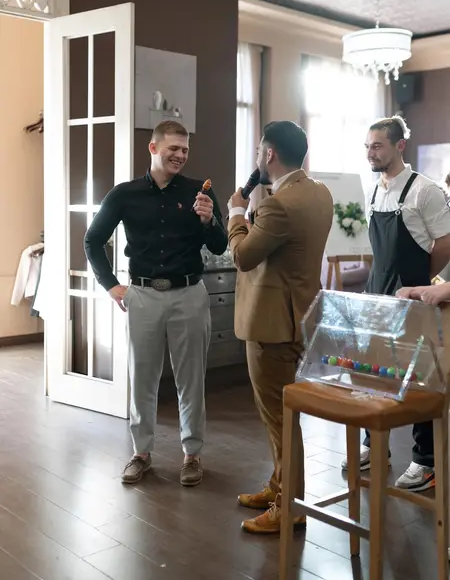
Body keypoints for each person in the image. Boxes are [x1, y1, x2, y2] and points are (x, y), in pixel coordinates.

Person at [84, 120, 228, 486]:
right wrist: (111, 285)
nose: (180, 155)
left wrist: (209, 221)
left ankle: (192, 455)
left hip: (190, 294)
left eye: (185, 149)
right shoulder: (124, 194)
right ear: (153, 148)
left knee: (191, 380)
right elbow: (92, 240)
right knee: (142, 378)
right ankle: (141, 454)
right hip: (143, 295)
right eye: (173, 148)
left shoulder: (200, 192)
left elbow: (219, 246)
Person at [227, 120, 333, 534]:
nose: (257, 156)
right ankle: (277, 485)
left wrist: (236, 213)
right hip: (302, 317)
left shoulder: (279, 205)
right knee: (281, 414)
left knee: (279, 418)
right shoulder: (318, 193)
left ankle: (289, 506)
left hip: (271, 323)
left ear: (269, 154)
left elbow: (244, 256)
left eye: (259, 149)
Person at [341, 115, 450, 492]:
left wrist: (421, 279)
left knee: (421, 376)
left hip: (413, 295)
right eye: (367, 147)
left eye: (377, 146)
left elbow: (445, 243)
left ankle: (425, 461)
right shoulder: (374, 190)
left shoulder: (424, 191)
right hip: (378, 292)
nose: (370, 153)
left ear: (399, 145)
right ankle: (375, 444)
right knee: (375, 372)